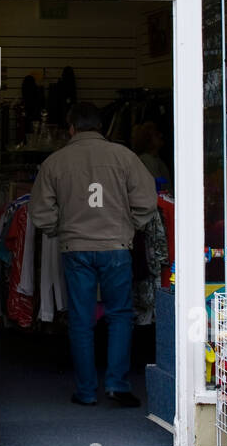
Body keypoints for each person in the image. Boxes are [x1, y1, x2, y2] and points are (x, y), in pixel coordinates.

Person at [30, 101, 159, 407]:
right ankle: (117, 385)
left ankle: (86, 391)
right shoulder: (124, 157)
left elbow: (40, 212)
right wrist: (129, 227)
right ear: (101, 126)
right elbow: (147, 201)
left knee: (81, 319)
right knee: (120, 316)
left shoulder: (54, 162)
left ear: (71, 128)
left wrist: (60, 230)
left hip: (75, 248)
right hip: (116, 247)